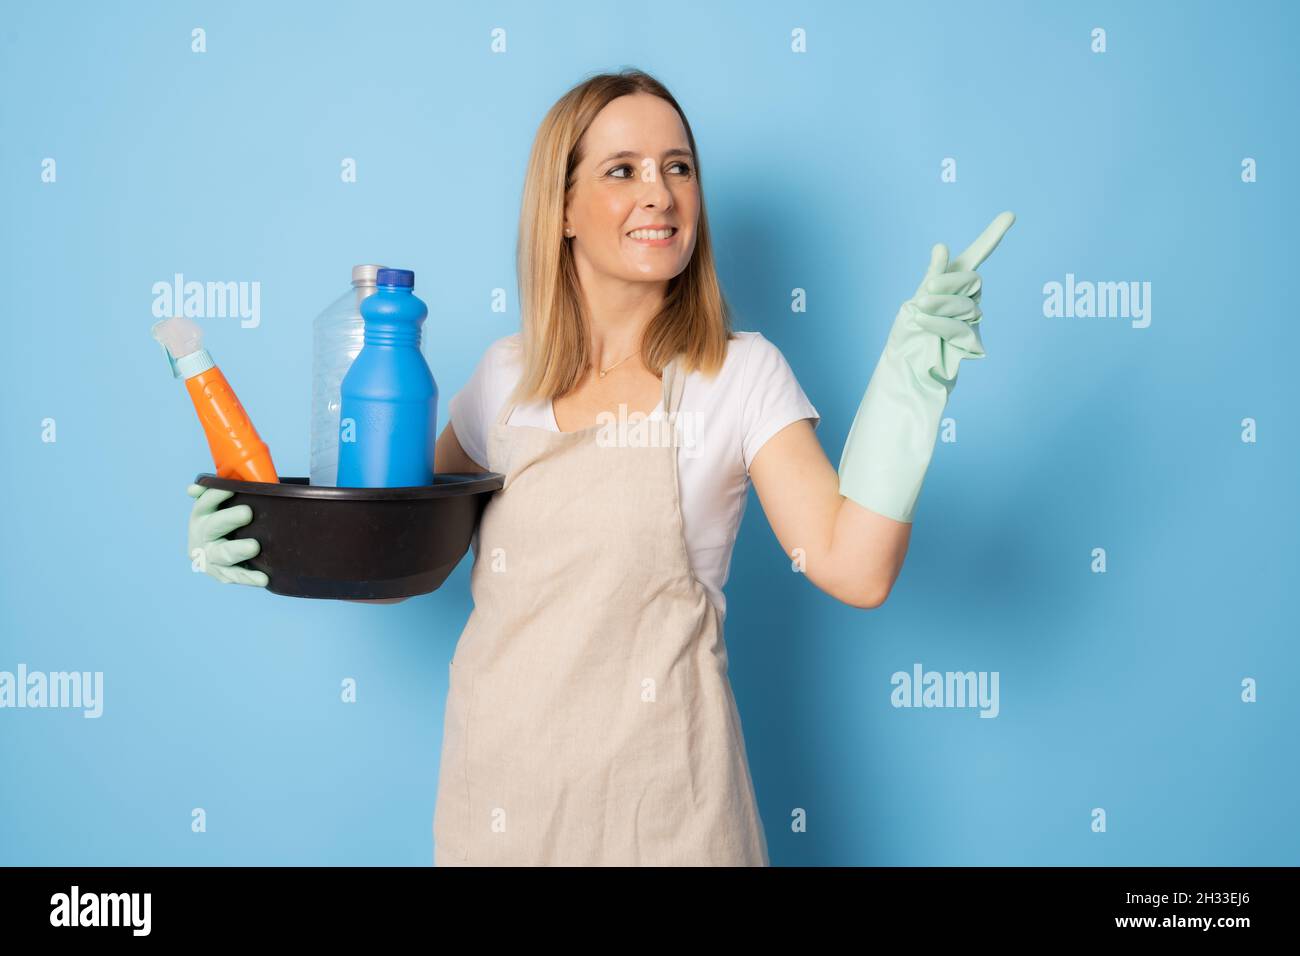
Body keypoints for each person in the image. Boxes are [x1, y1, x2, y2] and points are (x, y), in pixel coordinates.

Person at [185, 68, 1014, 866]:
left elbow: (854, 568)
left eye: (678, 168)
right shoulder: (504, 378)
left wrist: (911, 385)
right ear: (563, 210)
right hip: (498, 817)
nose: (661, 193)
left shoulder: (738, 374)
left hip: (674, 820)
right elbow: (398, 554)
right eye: (623, 170)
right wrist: (264, 541)